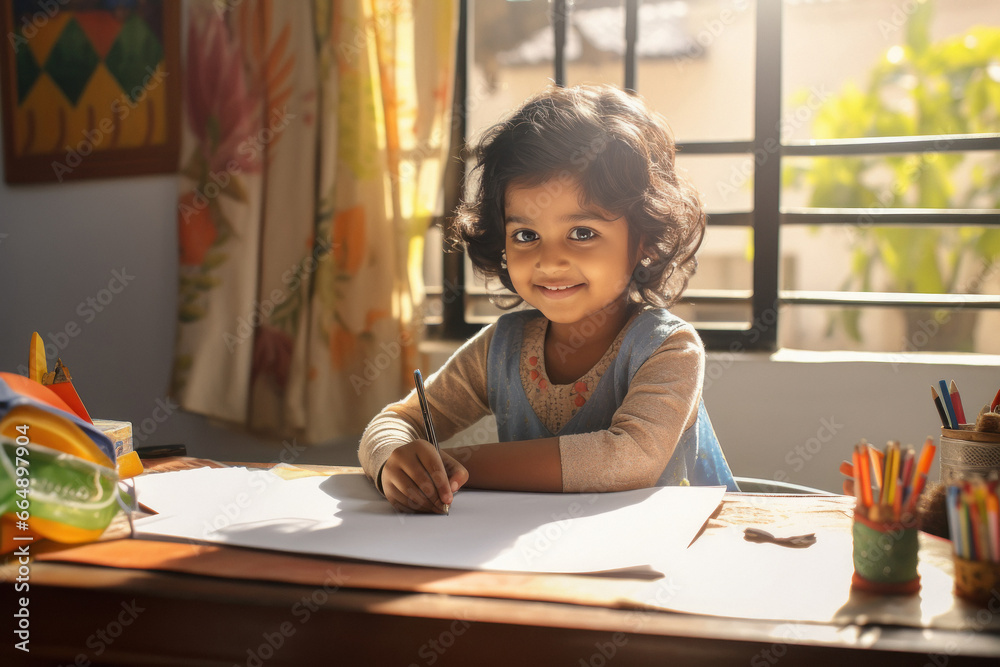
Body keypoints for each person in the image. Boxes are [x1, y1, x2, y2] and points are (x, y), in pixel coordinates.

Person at [358, 84, 737, 514]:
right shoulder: (499, 349)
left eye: (582, 233)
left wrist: (459, 465)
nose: (549, 261)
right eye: (526, 235)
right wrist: (393, 459)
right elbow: (396, 421)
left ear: (644, 240)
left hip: (668, 560)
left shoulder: (669, 348)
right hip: (540, 564)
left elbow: (630, 458)